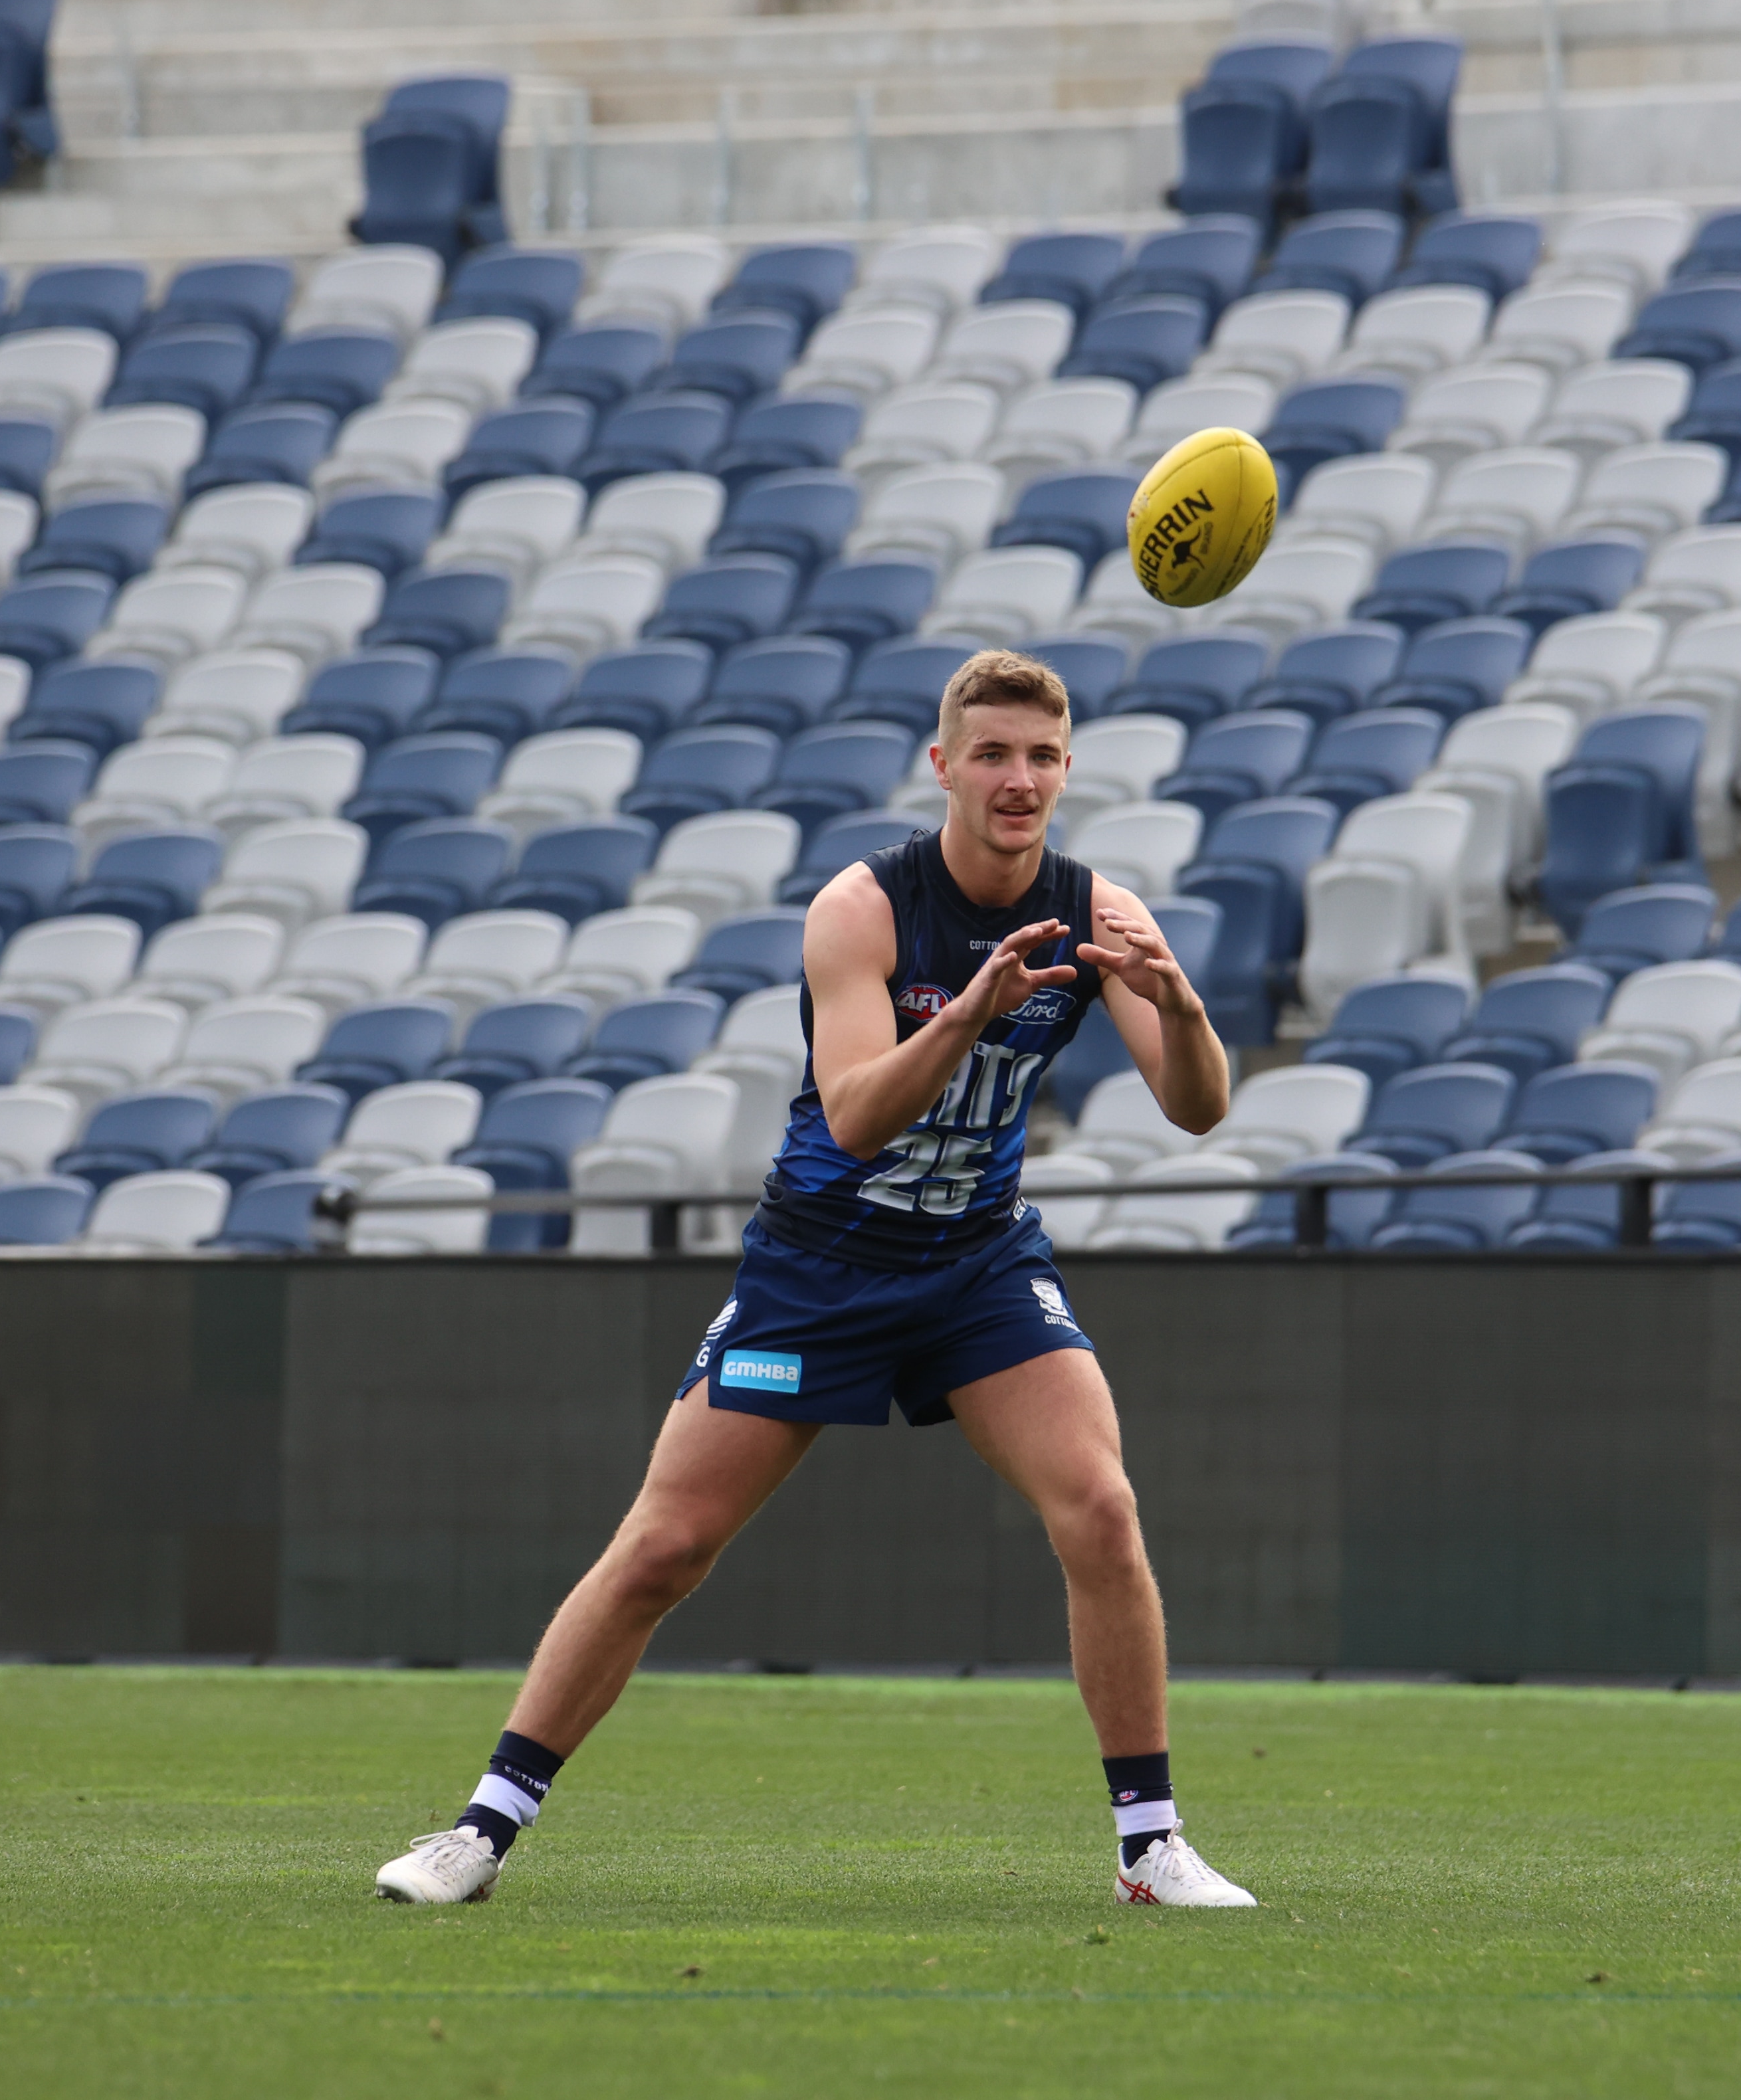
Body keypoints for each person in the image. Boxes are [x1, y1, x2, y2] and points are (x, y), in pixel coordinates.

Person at [372, 648, 1259, 1911]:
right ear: (943, 764)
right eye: (993, 754)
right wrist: (965, 1010)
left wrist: (1182, 1007)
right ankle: (479, 1831)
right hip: (821, 1267)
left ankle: (1150, 1846)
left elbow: (1198, 1110)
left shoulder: (1098, 910)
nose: (1018, 780)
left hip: (978, 1264)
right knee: (665, 1547)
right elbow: (854, 1116)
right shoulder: (863, 907)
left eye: (1041, 756)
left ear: (1069, 768)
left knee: (1103, 1511)